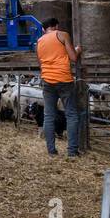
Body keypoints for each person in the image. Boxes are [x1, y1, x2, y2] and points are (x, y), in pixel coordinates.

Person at [36, 18, 83, 157]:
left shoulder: (39, 41)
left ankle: (51, 151)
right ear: (56, 26)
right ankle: (72, 152)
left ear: (44, 29)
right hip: (63, 80)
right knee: (71, 114)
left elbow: (41, 63)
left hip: (47, 81)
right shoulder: (62, 35)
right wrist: (78, 50)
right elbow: (73, 57)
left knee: (49, 116)